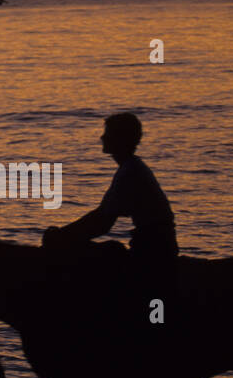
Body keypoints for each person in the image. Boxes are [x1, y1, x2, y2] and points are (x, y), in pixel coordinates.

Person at [43, 112, 178, 307]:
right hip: (152, 245)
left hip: (153, 252)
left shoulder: (130, 172)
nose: (102, 137)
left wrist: (62, 237)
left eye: (108, 133)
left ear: (120, 138)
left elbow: (102, 222)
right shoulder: (131, 168)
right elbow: (102, 215)